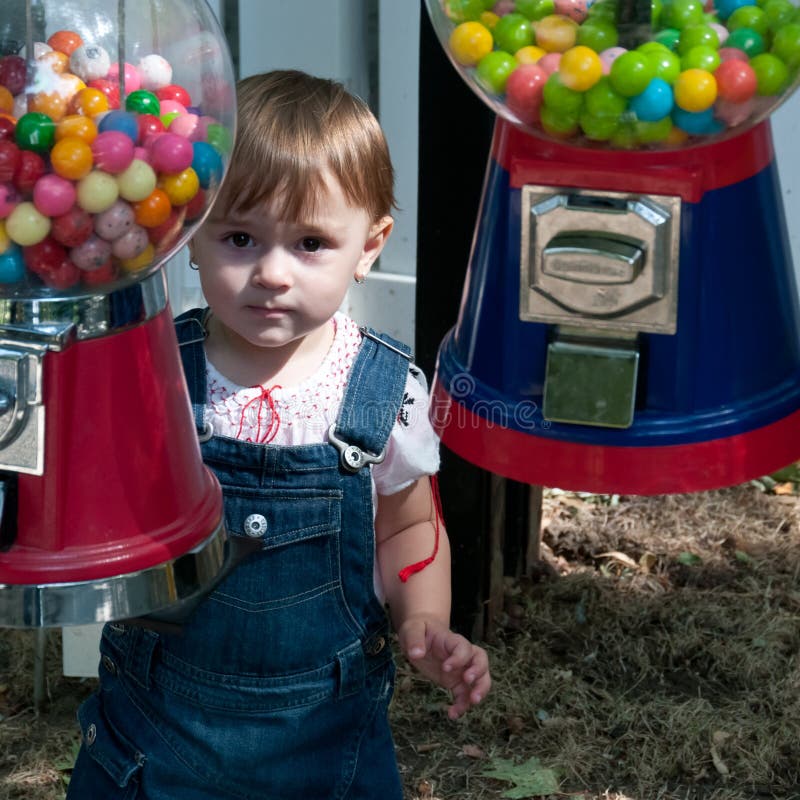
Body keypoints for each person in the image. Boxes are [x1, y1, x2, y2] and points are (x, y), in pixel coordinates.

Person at [66, 69, 491, 800]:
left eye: (311, 243)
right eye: (239, 236)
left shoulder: (384, 394)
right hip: (159, 722)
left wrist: (426, 620)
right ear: (187, 236)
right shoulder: (153, 373)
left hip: (324, 737)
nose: (271, 273)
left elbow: (408, 528)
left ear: (370, 246)